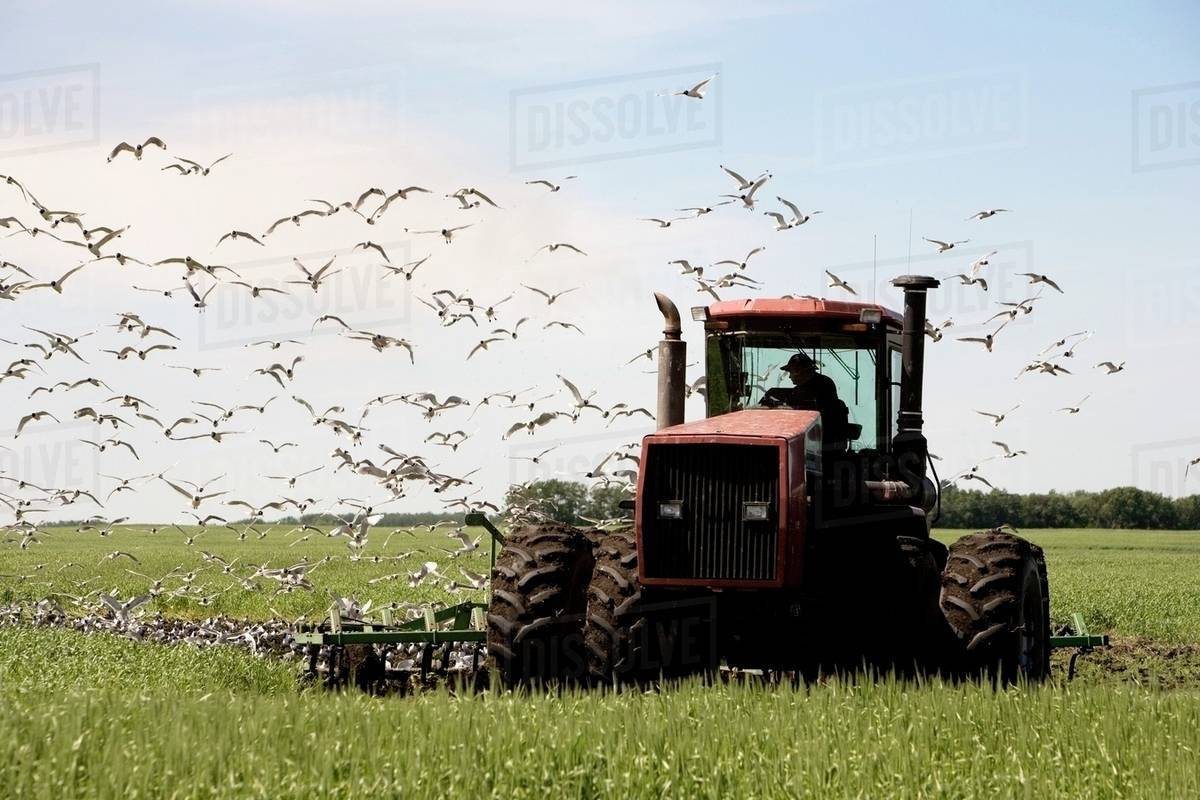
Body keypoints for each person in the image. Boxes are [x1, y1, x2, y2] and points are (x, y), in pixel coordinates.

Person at [760, 352, 851, 450]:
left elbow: (808, 409)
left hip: (820, 446)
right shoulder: (815, 384)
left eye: (792, 372)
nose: (790, 376)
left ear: (802, 371)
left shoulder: (819, 386)